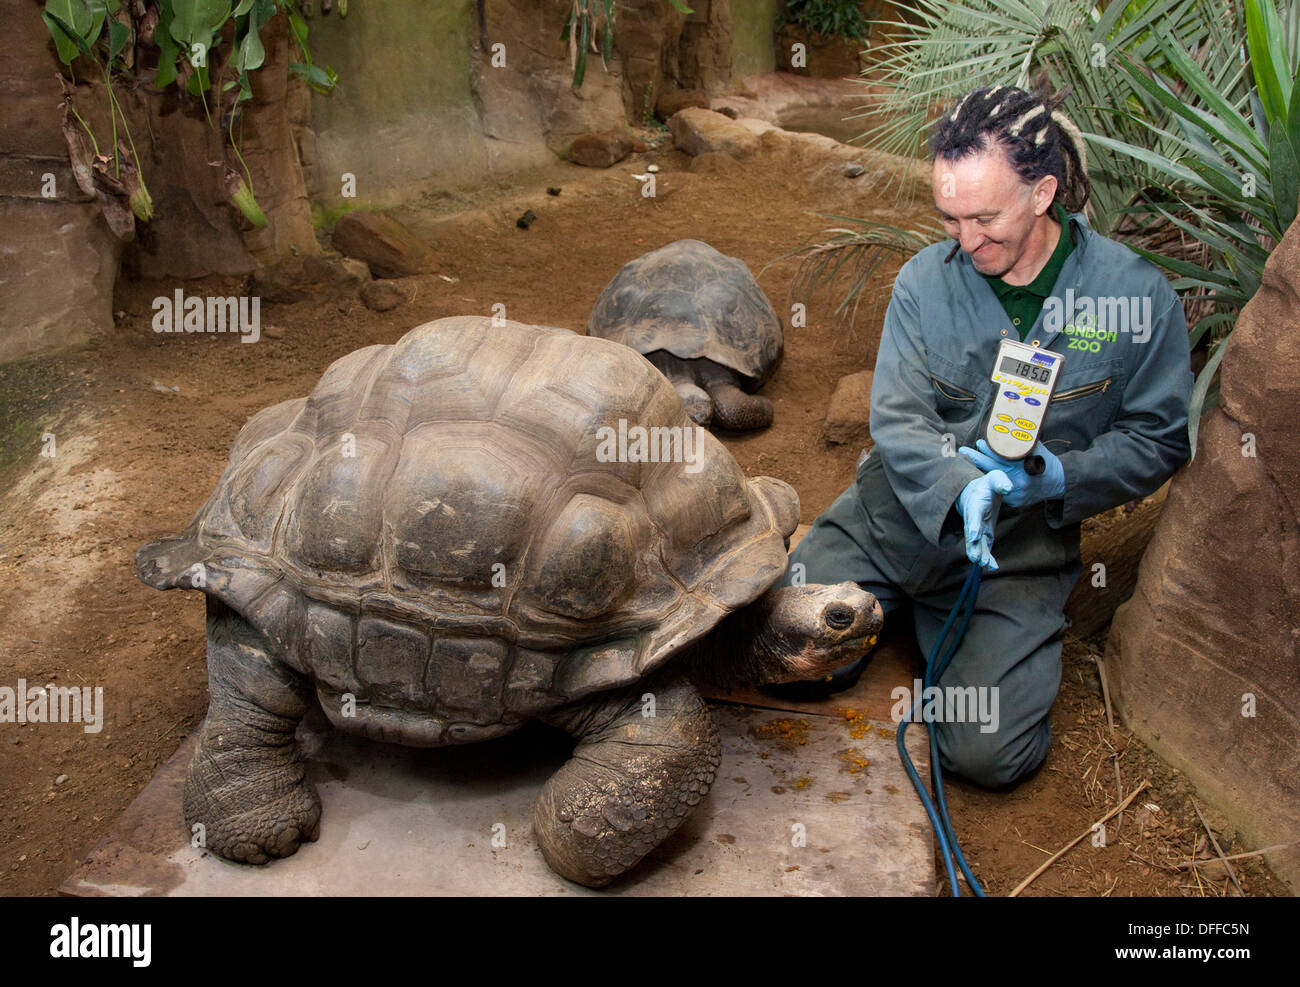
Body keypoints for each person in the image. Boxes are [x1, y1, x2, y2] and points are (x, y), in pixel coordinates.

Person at [776, 85, 1193, 788]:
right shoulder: (922, 285)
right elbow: (901, 421)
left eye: (984, 217)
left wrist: (1056, 478)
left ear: (1043, 192)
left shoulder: (1135, 299)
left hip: (1016, 554)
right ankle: (898, 605)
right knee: (781, 654)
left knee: (987, 754)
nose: (966, 240)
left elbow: (1159, 437)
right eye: (949, 218)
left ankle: (946, 630)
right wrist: (960, 487)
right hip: (889, 521)